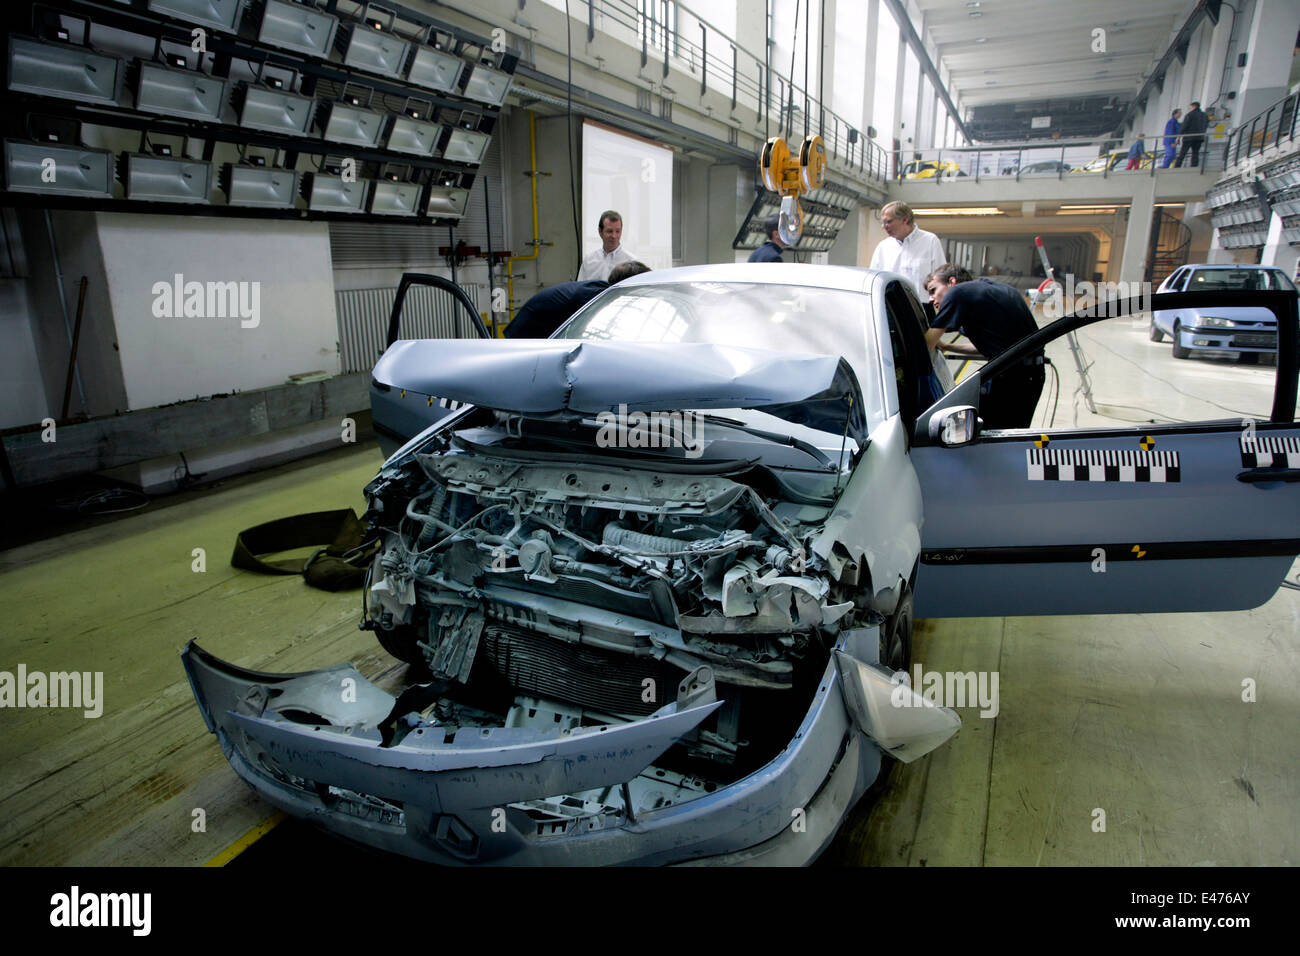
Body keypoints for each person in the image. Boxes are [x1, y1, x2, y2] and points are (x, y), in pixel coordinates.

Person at [923, 264, 1045, 429]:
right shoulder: (992, 290)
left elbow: (925, 346)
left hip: (1011, 378)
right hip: (1030, 376)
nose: (931, 299)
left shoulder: (957, 292)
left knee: (992, 435)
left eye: (933, 290)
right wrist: (947, 347)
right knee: (1010, 434)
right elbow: (991, 347)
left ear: (952, 282)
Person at [505, 261, 651, 338]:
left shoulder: (600, 290)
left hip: (534, 333)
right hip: (526, 336)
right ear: (626, 285)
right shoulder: (594, 297)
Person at [869, 200, 945, 296]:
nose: (883, 227)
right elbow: (874, 281)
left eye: (888, 222)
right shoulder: (883, 247)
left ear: (905, 220)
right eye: (882, 222)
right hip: (892, 306)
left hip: (922, 306)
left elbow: (940, 279)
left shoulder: (930, 241)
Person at [576, 210, 635, 281]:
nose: (614, 236)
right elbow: (580, 288)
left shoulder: (631, 262)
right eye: (610, 231)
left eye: (617, 231)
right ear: (600, 231)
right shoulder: (589, 260)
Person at [1175, 102, 1208, 168]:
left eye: (1190, 107)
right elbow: (1206, 125)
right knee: (1195, 153)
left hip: (1188, 137)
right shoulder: (1205, 115)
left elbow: (1184, 126)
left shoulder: (1189, 115)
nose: (1189, 108)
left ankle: (1177, 166)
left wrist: (1178, 137)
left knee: (1183, 152)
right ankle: (1194, 166)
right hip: (1199, 137)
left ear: (1193, 106)